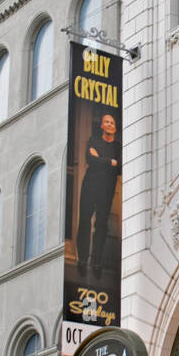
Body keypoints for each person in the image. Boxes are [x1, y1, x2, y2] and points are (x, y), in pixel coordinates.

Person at [76, 111, 121, 276]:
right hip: (89, 185)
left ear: (115, 128)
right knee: (85, 221)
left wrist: (101, 160)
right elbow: (90, 159)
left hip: (107, 189)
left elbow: (120, 167)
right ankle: (82, 259)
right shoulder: (93, 140)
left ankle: (97, 261)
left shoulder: (117, 147)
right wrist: (110, 162)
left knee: (101, 225)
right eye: (106, 122)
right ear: (102, 125)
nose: (109, 124)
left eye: (112, 123)